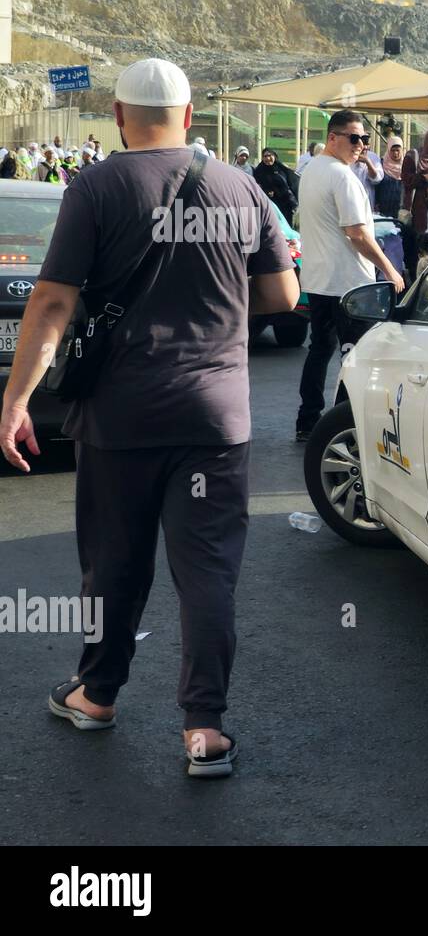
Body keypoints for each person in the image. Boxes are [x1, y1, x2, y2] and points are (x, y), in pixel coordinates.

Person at [0, 58, 298, 777]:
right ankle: (205, 730)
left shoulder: (96, 186)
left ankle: (97, 694)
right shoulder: (241, 187)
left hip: (121, 418)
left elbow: (52, 301)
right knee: (208, 573)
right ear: (190, 116)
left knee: (113, 565)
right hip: (216, 418)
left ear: (118, 117)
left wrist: (15, 400)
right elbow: (284, 296)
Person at [295, 109, 405, 441]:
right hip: (348, 284)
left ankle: (308, 420)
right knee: (354, 357)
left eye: (365, 139)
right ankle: (346, 423)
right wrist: (389, 269)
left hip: (320, 280)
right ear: (333, 138)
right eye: (354, 138)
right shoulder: (341, 176)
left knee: (320, 350)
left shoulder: (312, 170)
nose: (361, 145)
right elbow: (356, 233)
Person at [253, 148, 297, 223]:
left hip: (286, 204)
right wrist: (266, 191)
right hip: (269, 204)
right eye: (265, 156)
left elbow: (291, 183)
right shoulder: (259, 171)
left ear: (274, 156)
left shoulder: (282, 168)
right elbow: (256, 187)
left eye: (270, 155)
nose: (268, 158)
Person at [375, 136, 405, 218]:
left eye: (398, 150)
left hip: (401, 208)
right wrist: (376, 203)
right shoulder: (381, 164)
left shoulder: (406, 165)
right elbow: (376, 184)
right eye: (392, 150)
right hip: (384, 207)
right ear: (388, 150)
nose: (395, 153)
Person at [350, 137, 383, 210]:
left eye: (367, 144)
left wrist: (368, 162)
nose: (365, 147)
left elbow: (377, 179)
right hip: (350, 199)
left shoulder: (373, 157)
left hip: (367, 200)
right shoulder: (346, 155)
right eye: (363, 144)